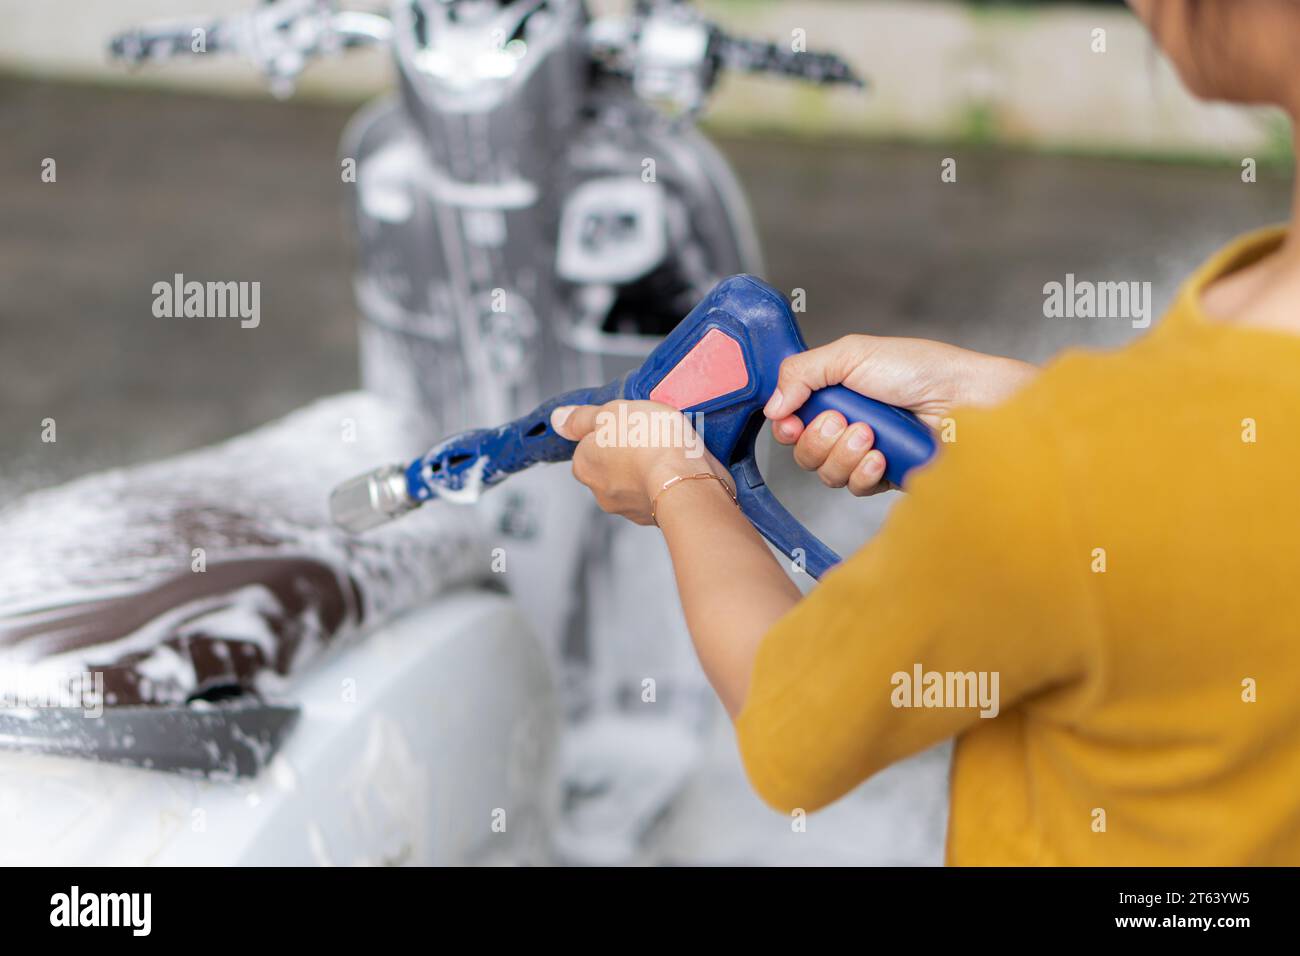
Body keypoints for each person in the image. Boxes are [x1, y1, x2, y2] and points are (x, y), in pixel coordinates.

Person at [550, 0, 1300, 865]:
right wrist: (1010, 407)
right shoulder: (1135, 421)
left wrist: (678, 482)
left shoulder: (1065, 470)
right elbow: (1200, 480)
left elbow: (793, 727)